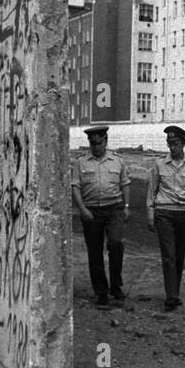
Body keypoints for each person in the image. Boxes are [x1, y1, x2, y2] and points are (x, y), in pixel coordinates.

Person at [71, 125, 130, 307]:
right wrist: (82, 208)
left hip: (114, 209)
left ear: (106, 141)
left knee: (115, 244)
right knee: (95, 252)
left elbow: (125, 183)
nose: (96, 147)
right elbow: (75, 186)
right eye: (93, 143)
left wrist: (126, 206)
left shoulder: (117, 160)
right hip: (91, 211)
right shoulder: (80, 163)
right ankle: (101, 292)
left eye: (99, 143)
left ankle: (116, 286)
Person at [146, 125, 185, 311]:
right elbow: (151, 190)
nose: (173, 148)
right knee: (169, 255)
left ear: (184, 144)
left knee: (179, 256)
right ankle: (171, 296)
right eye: (170, 144)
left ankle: (175, 292)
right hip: (164, 212)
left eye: (176, 143)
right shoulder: (159, 164)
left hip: (184, 213)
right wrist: (150, 213)